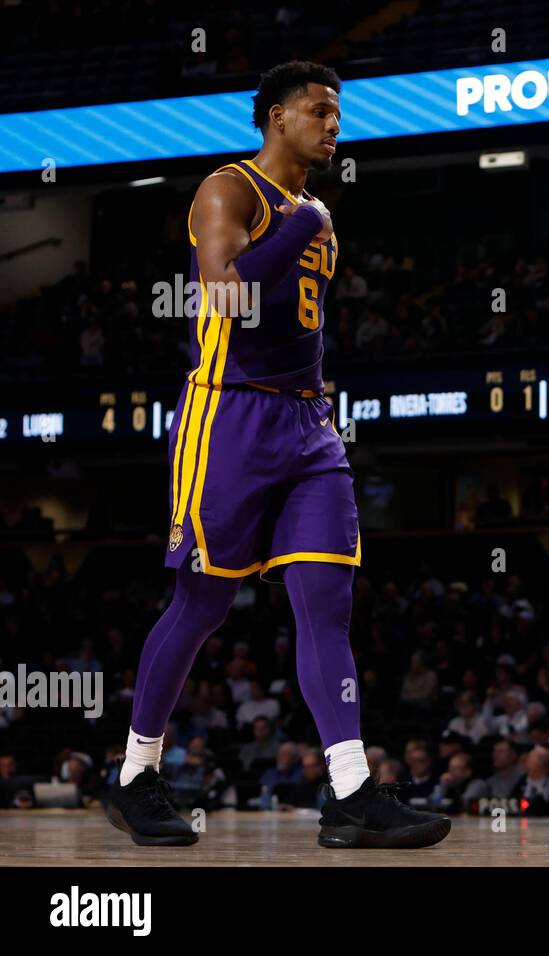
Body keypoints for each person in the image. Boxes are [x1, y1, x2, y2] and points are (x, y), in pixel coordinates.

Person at [103, 60, 449, 850]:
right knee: (204, 603)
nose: (334, 124)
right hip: (225, 419)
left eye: (338, 113)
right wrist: (296, 229)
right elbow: (224, 295)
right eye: (320, 110)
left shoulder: (317, 213)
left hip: (309, 426)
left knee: (327, 602)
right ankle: (135, 775)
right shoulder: (230, 192)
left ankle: (352, 792)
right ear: (274, 117)